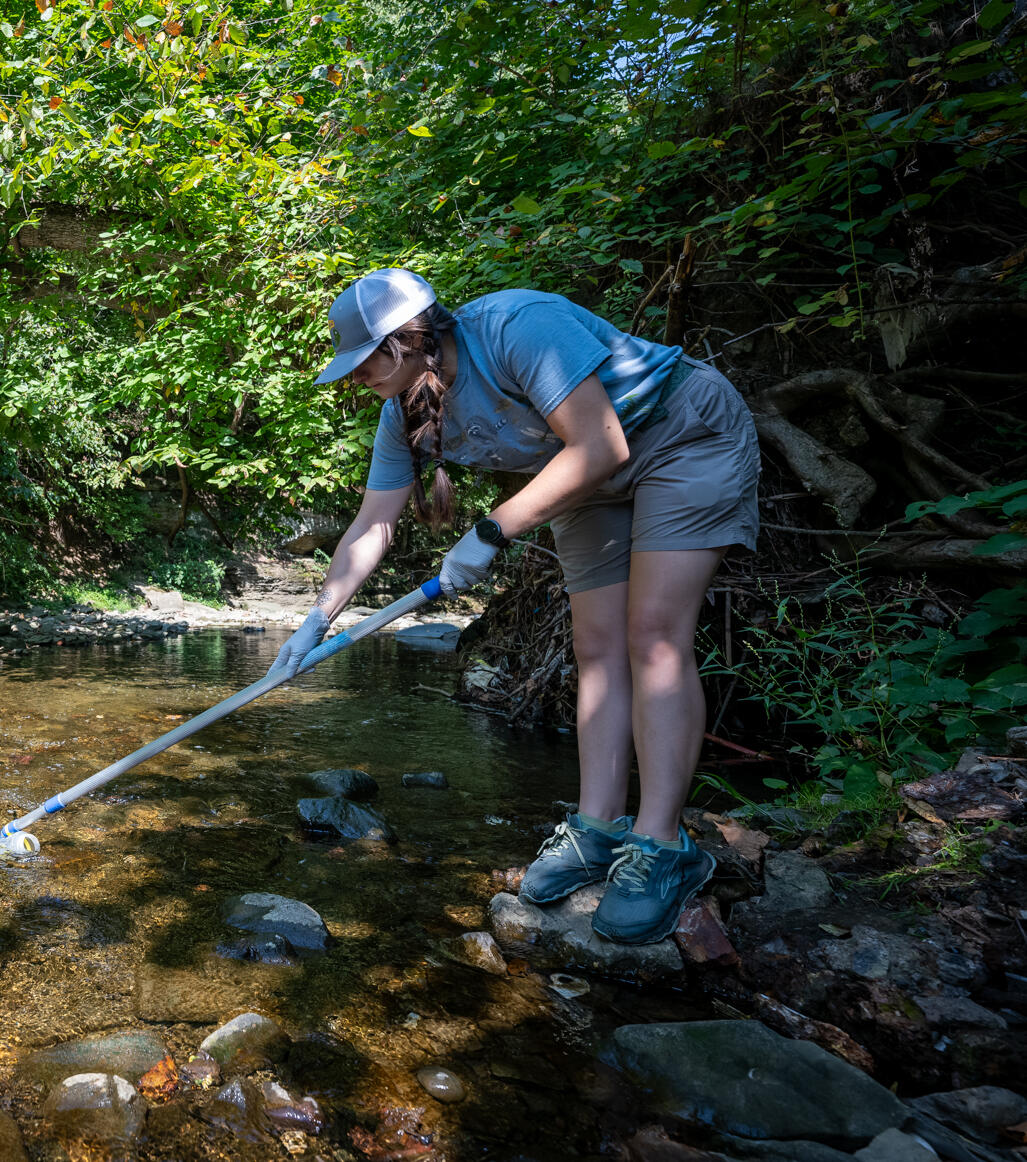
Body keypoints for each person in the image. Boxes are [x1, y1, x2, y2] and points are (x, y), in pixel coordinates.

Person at [267, 267, 759, 944]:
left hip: (680, 435)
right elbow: (371, 526)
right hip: (588, 478)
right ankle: (594, 828)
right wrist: (313, 622)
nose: (353, 379)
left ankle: (661, 847)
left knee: (653, 635)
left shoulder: (516, 327)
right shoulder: (402, 414)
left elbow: (601, 442)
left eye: (361, 362)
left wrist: (489, 531)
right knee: (595, 647)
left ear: (408, 339)